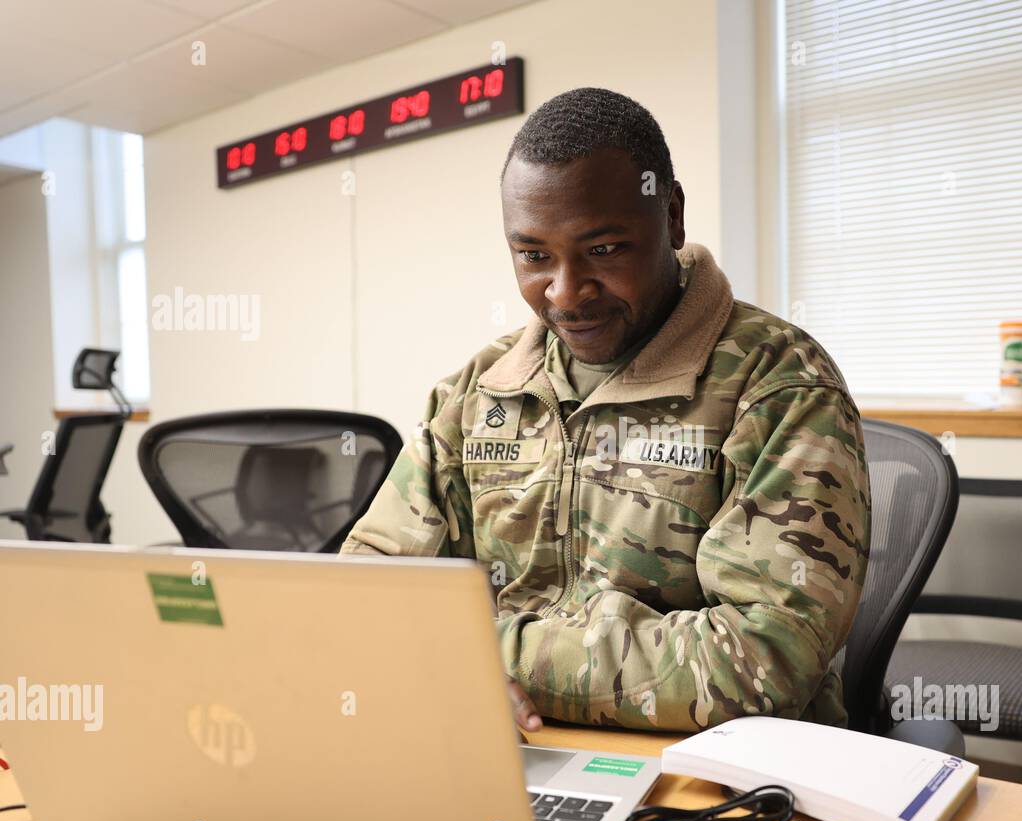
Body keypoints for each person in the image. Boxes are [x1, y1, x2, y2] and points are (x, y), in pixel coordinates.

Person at [342, 87, 870, 734]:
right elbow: (366, 593)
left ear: (671, 216)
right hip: (505, 748)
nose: (566, 293)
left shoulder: (778, 385)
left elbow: (763, 661)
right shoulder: (477, 392)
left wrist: (479, 656)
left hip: (715, 774)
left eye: (604, 249)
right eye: (534, 256)